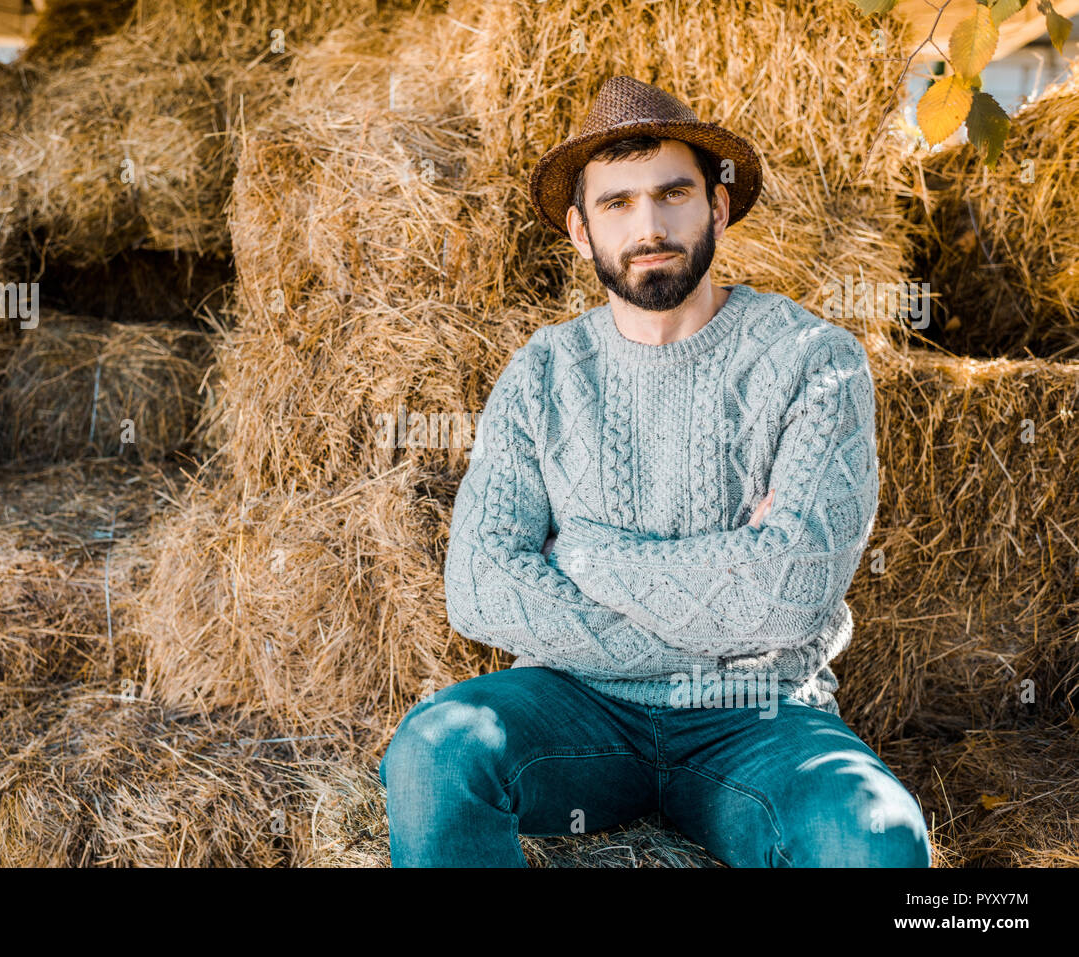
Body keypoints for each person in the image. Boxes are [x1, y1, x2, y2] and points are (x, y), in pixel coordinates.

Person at [378, 76, 932, 868]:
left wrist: (587, 554)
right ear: (579, 230)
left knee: (873, 836)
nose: (649, 225)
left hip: (757, 712)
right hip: (576, 710)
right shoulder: (543, 373)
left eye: (674, 193)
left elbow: (791, 591)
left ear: (719, 207)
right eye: (618, 203)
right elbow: (478, 584)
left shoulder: (814, 362)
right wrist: (720, 589)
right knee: (435, 751)